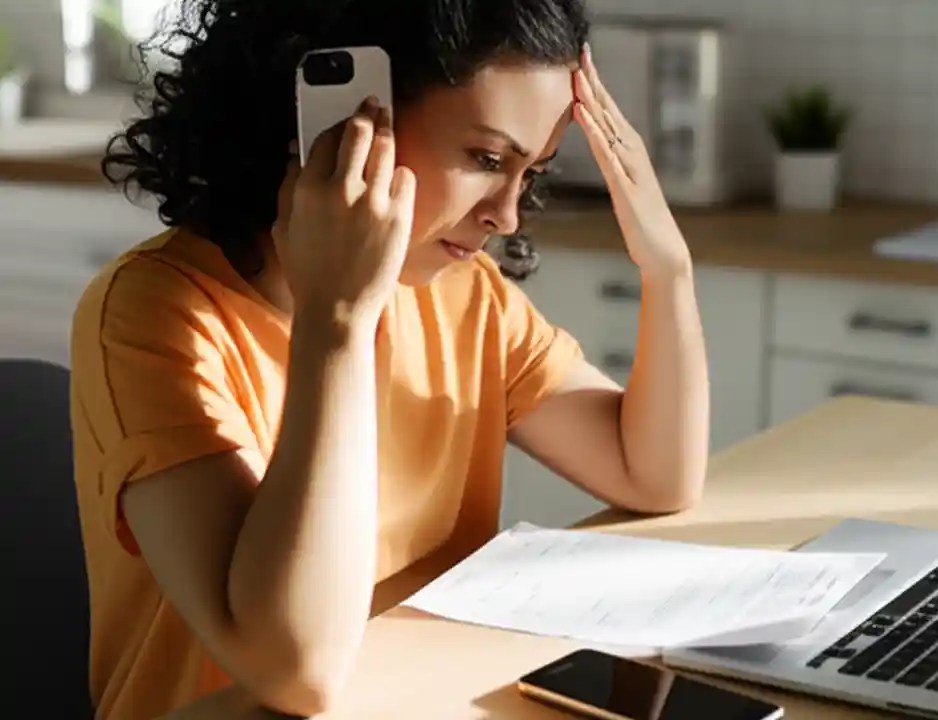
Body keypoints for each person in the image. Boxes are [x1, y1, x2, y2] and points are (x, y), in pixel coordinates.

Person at [69, 1, 710, 717]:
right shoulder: (152, 315)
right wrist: (339, 323)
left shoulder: (467, 299)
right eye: (487, 159)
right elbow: (295, 671)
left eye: (530, 172)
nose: (508, 214)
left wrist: (668, 265)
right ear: (342, 124)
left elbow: (653, 473)